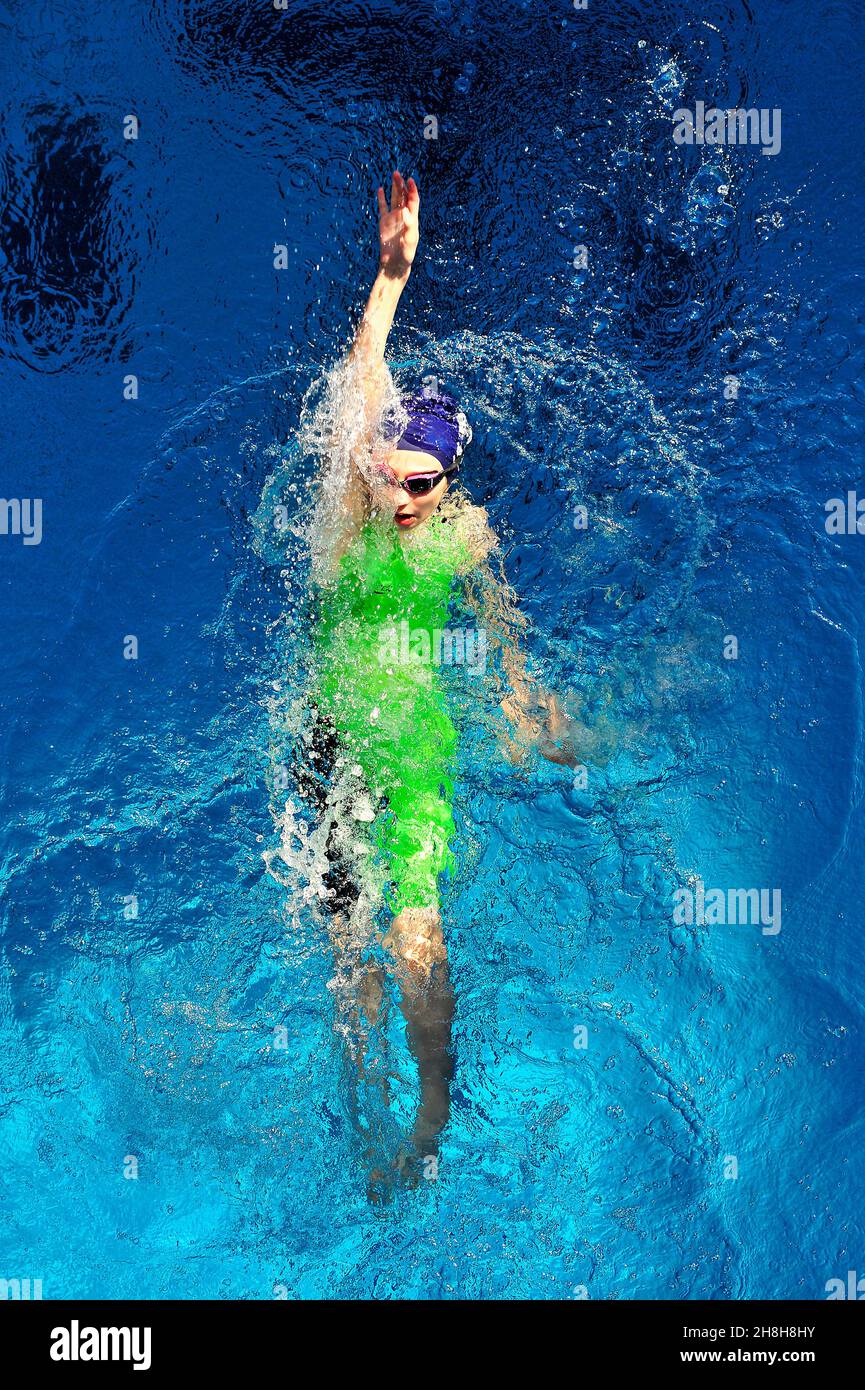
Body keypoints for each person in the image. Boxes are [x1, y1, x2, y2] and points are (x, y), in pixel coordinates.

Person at [302, 171, 577, 1183]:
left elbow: (500, 622)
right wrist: (389, 277)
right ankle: (358, 1103)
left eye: (423, 482)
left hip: (413, 741)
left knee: (417, 933)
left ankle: (427, 1113)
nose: (403, 494)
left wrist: (514, 685)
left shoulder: (465, 532)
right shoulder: (346, 517)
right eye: (391, 474)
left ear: (449, 480)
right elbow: (362, 371)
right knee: (345, 954)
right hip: (328, 738)